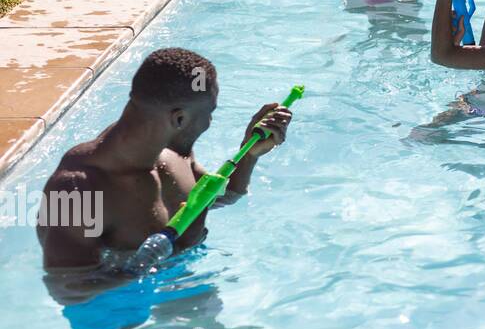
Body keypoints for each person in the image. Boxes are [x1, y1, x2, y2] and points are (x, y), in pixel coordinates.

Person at [37, 48, 293, 272]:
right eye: (210, 113)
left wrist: (249, 154)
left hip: (189, 292)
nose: (209, 123)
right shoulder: (76, 190)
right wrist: (137, 272)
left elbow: (221, 195)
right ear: (179, 119)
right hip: (125, 316)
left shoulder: (173, 151)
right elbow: (70, 290)